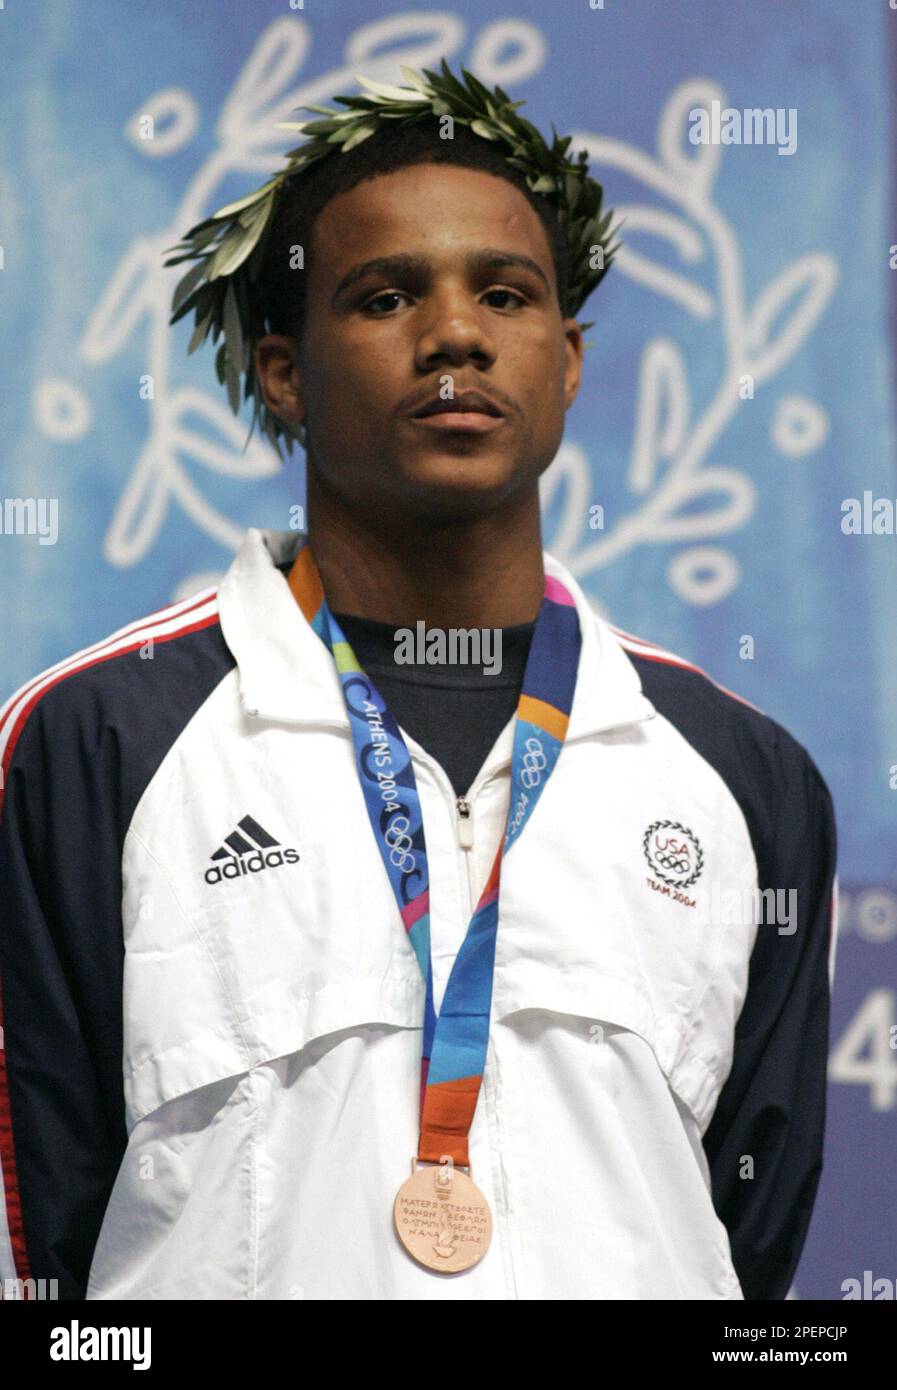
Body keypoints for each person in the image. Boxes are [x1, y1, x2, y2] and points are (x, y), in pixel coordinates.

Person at [0, 63, 837, 1301]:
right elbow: (43, 1248)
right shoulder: (95, 739)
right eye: (386, 297)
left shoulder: (742, 776)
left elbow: (744, 1248)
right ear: (282, 372)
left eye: (506, 294)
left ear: (566, 362)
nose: (455, 334)